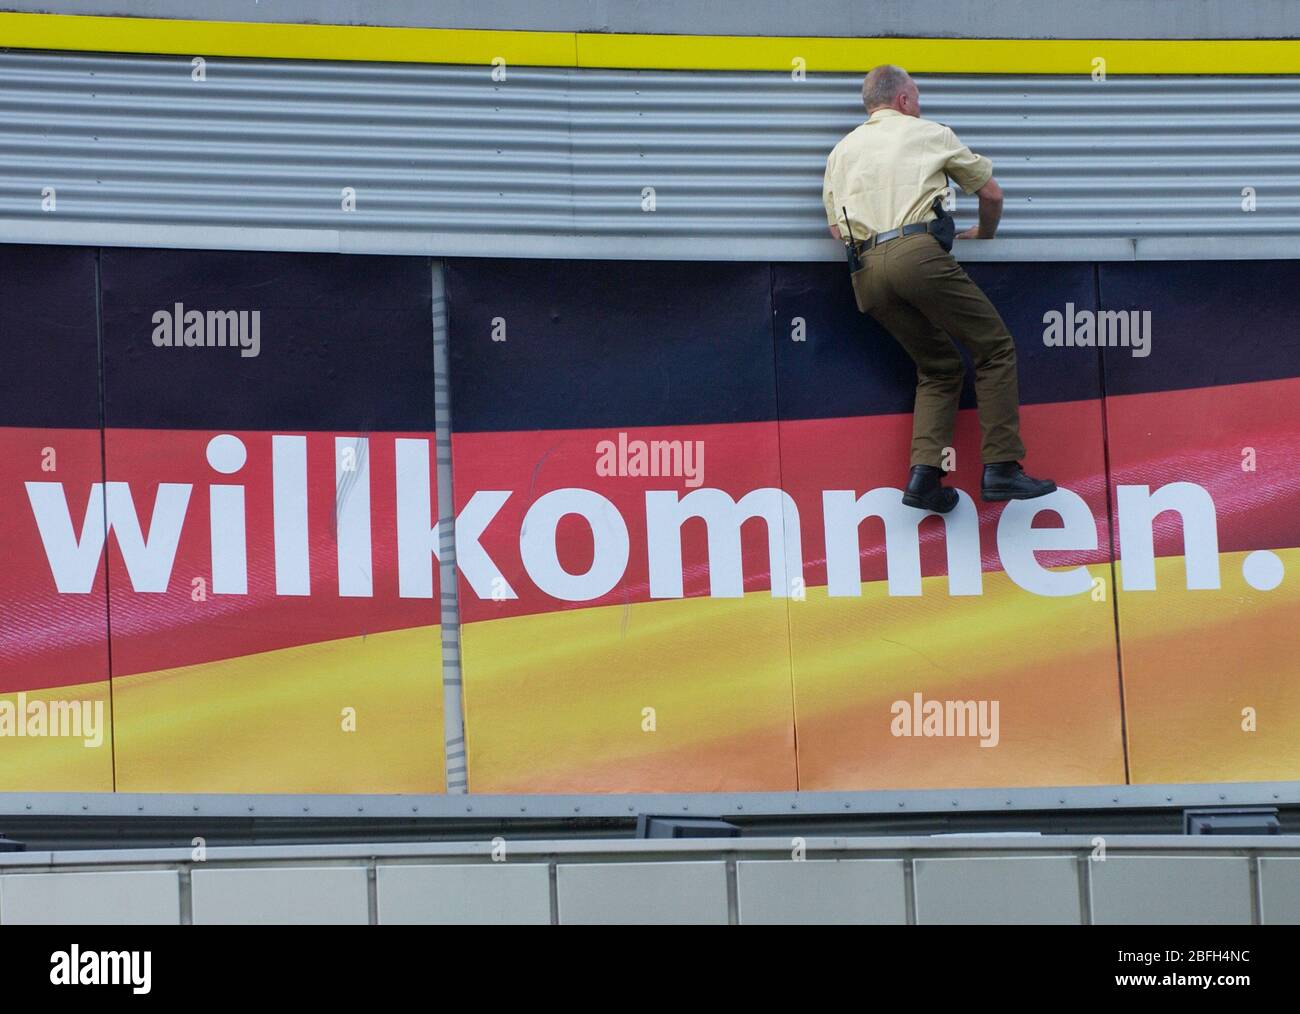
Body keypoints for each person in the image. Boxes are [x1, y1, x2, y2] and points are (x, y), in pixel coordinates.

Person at [822, 64, 1055, 514]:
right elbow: (991, 194)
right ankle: (1003, 466)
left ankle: (925, 477)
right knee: (995, 348)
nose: (919, 103)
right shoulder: (928, 132)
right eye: (917, 96)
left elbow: (836, 229)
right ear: (904, 100)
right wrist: (983, 236)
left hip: (865, 273)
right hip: (917, 257)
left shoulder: (841, 153)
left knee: (940, 367)